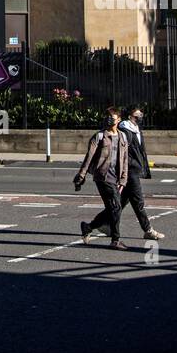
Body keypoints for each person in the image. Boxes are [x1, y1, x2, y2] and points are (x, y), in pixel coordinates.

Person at [83, 105, 165, 243]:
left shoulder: (135, 129)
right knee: (138, 202)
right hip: (128, 171)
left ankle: (90, 226)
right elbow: (121, 154)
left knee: (117, 205)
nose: (140, 117)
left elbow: (140, 152)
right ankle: (147, 230)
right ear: (129, 116)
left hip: (132, 171)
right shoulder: (126, 130)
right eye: (137, 115)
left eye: (141, 114)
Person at [74, 107, 129, 250]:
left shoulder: (123, 136)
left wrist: (123, 180)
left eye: (113, 117)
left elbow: (124, 160)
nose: (110, 119)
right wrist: (81, 175)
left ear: (119, 120)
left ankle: (88, 227)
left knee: (113, 208)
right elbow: (89, 157)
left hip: (116, 178)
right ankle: (115, 240)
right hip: (103, 177)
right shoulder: (99, 136)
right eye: (108, 117)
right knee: (116, 207)